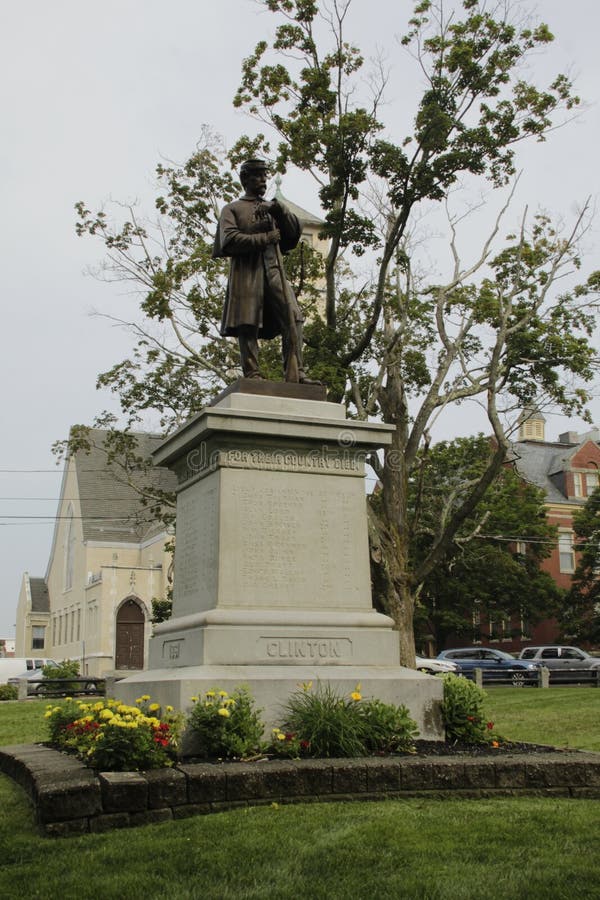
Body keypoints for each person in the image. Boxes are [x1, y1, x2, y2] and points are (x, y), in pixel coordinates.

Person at [213, 158, 318, 383]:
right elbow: (228, 240)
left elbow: (292, 234)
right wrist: (264, 237)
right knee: (247, 322)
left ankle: (296, 372)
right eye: (256, 175)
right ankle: (252, 372)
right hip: (247, 272)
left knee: (294, 317)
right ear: (244, 179)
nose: (262, 180)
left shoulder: (272, 208)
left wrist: (278, 209)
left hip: (273, 269)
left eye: (264, 176)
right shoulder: (232, 209)